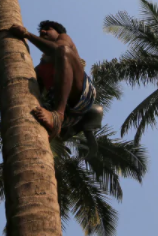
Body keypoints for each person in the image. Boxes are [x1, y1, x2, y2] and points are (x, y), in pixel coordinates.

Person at [9, 20, 103, 150]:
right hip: (64, 110)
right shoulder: (41, 67)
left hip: (81, 94)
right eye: (42, 30)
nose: (43, 31)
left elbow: (56, 49)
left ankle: (58, 115)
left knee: (62, 50)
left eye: (48, 29)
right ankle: (62, 128)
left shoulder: (64, 38)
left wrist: (27, 34)